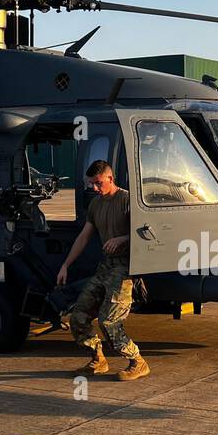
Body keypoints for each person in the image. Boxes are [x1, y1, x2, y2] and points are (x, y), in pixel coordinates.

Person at [56, 160, 149, 381]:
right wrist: (66, 265)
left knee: (109, 321)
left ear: (110, 178)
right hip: (105, 267)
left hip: (125, 268)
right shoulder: (96, 205)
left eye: (98, 183)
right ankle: (98, 359)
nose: (95, 188)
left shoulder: (127, 200)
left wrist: (122, 238)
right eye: (91, 184)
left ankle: (137, 361)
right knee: (78, 317)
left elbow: (147, 232)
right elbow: (84, 237)